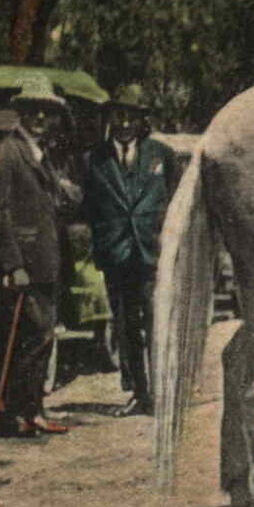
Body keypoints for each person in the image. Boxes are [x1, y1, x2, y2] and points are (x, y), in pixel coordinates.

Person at [0, 73, 81, 437]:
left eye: (46, 113)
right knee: (32, 338)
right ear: (22, 113)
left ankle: (33, 411)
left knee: (41, 339)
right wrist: (14, 264)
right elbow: (1, 212)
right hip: (27, 264)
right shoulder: (8, 152)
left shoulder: (42, 154)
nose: (40, 119)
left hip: (47, 261)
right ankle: (16, 414)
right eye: (33, 111)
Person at [81, 84, 176, 416]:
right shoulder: (93, 159)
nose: (123, 124)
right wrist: (102, 241)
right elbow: (87, 208)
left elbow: (176, 203)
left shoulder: (162, 155)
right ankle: (139, 392)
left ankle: (163, 392)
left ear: (141, 121)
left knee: (156, 322)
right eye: (118, 116)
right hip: (115, 255)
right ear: (110, 119)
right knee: (125, 326)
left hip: (152, 254)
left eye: (130, 117)